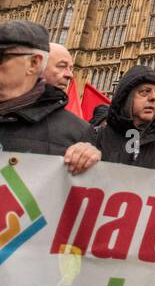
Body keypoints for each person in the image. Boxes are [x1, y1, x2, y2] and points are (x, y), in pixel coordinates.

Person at [0, 21, 99, 173]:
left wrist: (92, 163)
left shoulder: (78, 133)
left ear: (34, 63)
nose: (69, 75)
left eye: (1, 56)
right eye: (61, 66)